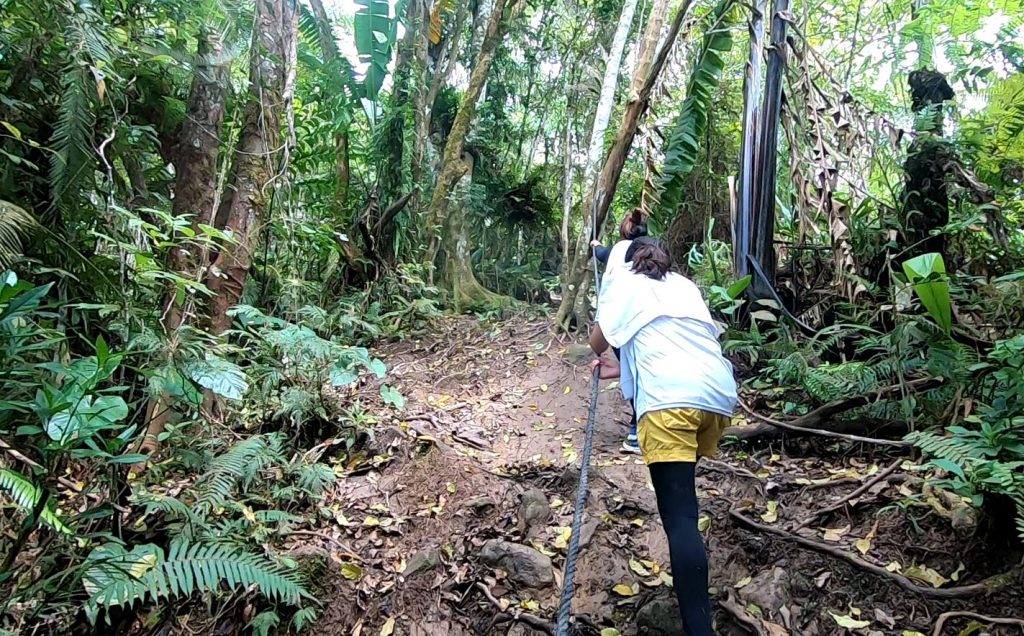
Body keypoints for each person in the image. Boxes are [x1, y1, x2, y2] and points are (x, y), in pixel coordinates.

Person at [589, 236, 737, 636]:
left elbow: (597, 341)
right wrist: (624, 369)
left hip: (669, 403)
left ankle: (699, 629)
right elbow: (675, 337)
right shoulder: (684, 285)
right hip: (716, 397)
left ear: (626, 260)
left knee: (680, 518)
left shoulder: (623, 283)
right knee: (684, 504)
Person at [590, 210, 648, 453]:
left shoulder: (617, 249)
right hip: (647, 318)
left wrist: (595, 245)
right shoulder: (649, 253)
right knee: (641, 371)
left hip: (621, 319)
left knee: (634, 372)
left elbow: (602, 253)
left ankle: (637, 430)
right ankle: (639, 429)